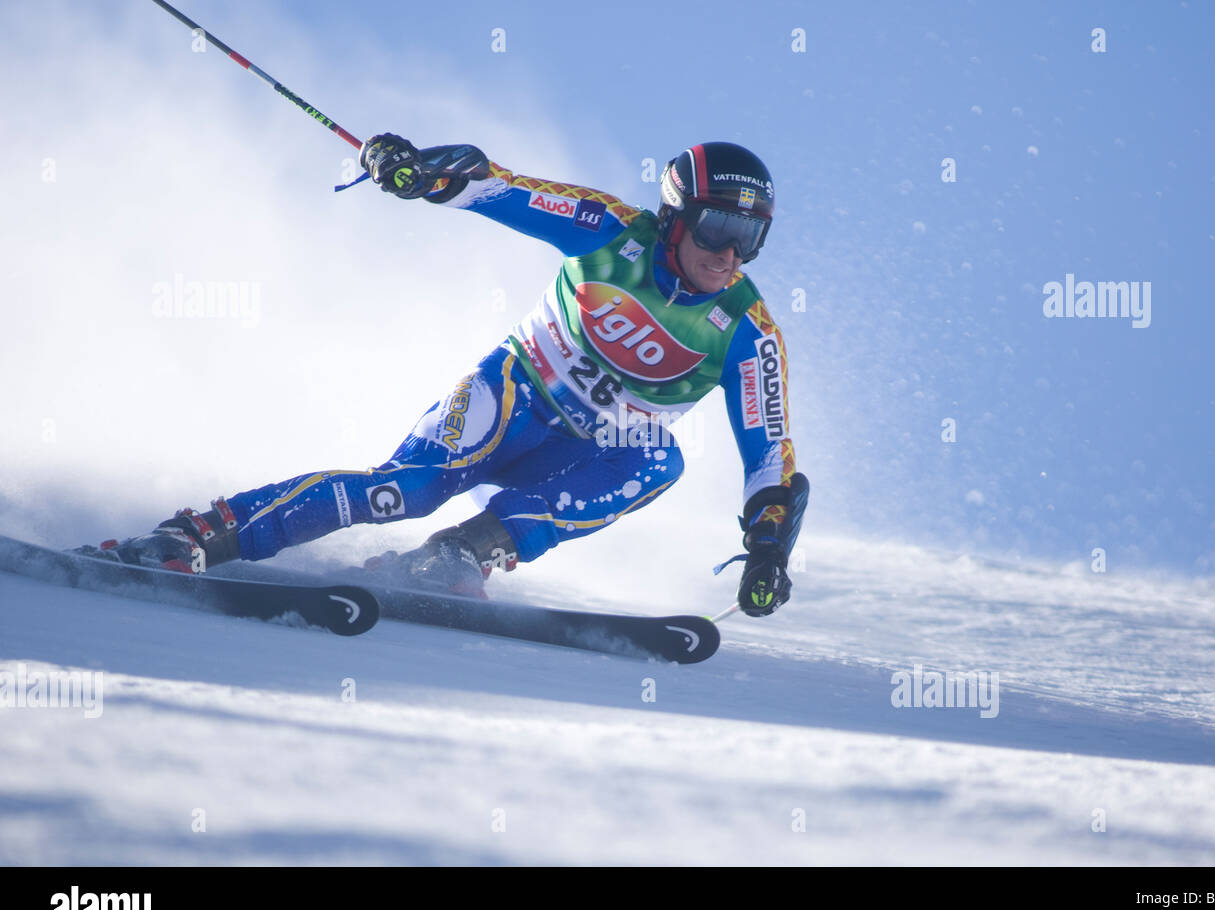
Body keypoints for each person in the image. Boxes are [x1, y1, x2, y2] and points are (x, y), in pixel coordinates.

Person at [90, 137, 809, 615]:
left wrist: (770, 544)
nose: (729, 254)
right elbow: (500, 190)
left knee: (660, 458)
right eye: (717, 228)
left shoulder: (748, 332)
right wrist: (427, 175)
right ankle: (197, 534)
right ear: (676, 217)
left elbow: (768, 456)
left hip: (589, 449)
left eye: (750, 237)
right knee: (403, 490)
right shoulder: (612, 231)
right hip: (515, 394)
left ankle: (461, 555)